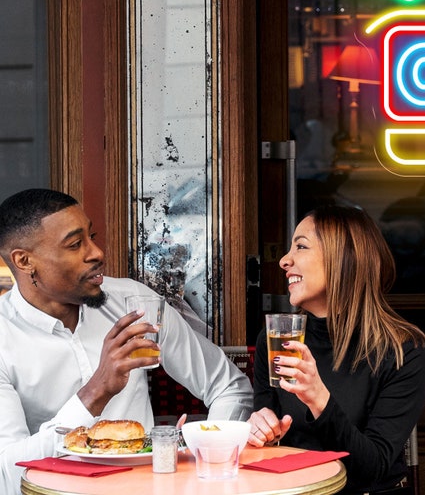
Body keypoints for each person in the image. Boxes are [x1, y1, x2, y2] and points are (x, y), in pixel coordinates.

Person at [0, 188, 253, 495]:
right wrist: (95, 392)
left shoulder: (134, 304)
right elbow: (8, 474)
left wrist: (209, 458)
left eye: (91, 237)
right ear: (24, 261)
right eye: (76, 244)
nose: (96, 253)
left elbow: (229, 386)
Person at [248, 204, 425, 495]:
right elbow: (266, 437)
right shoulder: (274, 341)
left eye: (301, 247)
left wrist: (319, 399)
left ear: (343, 260)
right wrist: (260, 430)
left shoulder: (405, 351)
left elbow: (373, 469)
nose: (284, 260)